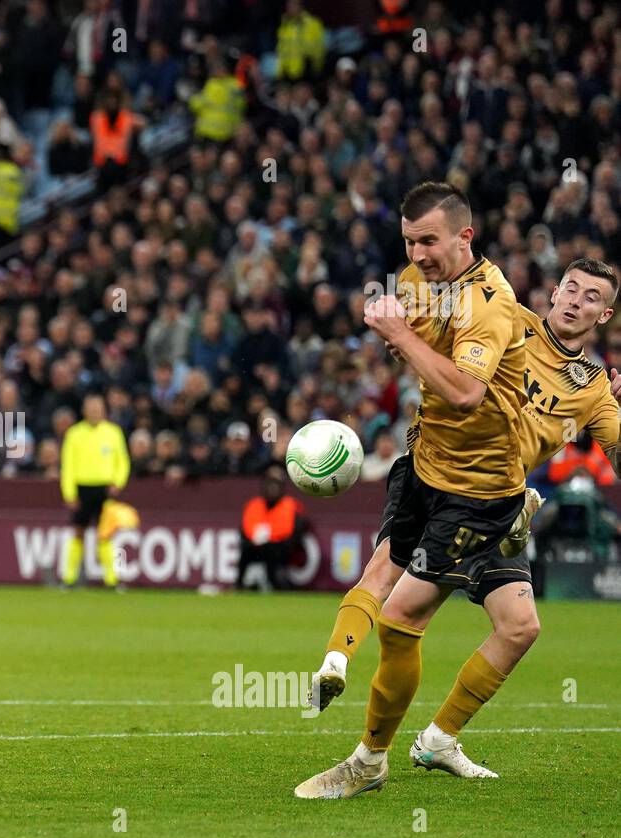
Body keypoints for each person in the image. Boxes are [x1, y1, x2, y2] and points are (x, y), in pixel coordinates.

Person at [299, 250, 621, 796]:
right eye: (570, 288)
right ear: (554, 291)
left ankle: (438, 739)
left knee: (519, 628)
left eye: (592, 297)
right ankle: (365, 747)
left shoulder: (593, 390)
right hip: (449, 487)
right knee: (399, 607)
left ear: (605, 316)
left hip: (500, 506)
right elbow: (442, 349)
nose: (575, 301)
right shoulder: (508, 321)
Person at [295, 182, 532, 798]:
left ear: (465, 235)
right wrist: (397, 333)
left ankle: (368, 764)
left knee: (401, 620)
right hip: (426, 465)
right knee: (392, 576)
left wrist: (400, 337)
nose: (418, 254)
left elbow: (465, 392)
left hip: (477, 492)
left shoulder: (490, 302)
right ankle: (340, 662)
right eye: (409, 241)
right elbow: (422, 357)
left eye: (428, 240)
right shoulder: (413, 280)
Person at [59, 392, 129, 589]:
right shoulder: (74, 434)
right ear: (84, 411)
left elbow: (122, 461)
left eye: (98, 409)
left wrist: (118, 482)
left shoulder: (113, 432)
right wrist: (69, 493)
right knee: (78, 532)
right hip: (82, 487)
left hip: (104, 488)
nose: (94, 412)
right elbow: (68, 466)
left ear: (104, 410)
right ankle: (69, 578)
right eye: (91, 409)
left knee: (107, 534)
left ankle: (112, 579)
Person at [236, 464, 308, 591]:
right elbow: (243, 530)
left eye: (276, 484)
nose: (272, 487)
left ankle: (274, 584)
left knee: (272, 551)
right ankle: (239, 585)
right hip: (256, 545)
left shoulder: (291, 505)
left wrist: (275, 540)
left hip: (280, 547)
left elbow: (297, 532)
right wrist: (254, 540)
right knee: (246, 551)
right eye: (270, 483)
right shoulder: (254, 505)